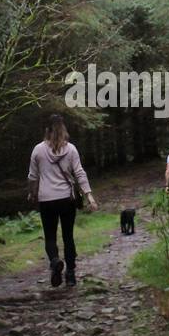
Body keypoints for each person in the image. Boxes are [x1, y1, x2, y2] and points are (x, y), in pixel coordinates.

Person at [27, 114, 97, 286]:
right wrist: (89, 195)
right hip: (66, 199)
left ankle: (55, 262)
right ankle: (71, 274)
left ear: (46, 130)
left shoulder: (38, 150)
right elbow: (79, 173)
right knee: (68, 237)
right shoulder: (71, 149)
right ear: (63, 129)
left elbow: (32, 177)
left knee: (50, 237)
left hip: (46, 200)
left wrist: (32, 193)